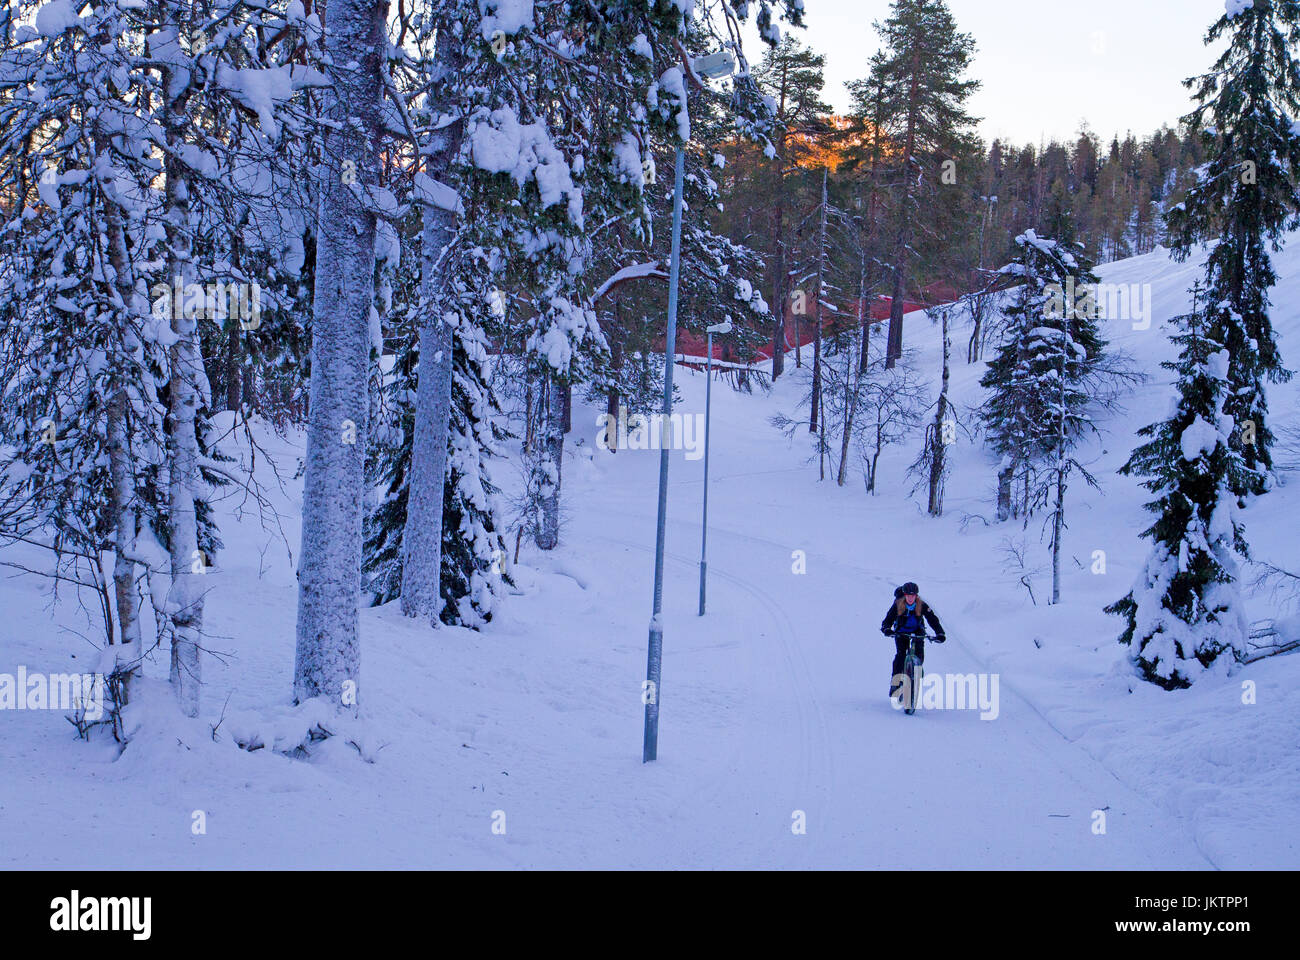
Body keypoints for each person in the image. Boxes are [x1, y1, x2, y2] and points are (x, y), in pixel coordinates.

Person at [880, 582, 945, 699]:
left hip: (917, 630)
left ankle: (915, 674)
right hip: (901, 632)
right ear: (904, 595)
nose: (910, 598)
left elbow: (932, 619)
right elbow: (888, 619)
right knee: (901, 655)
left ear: (916, 596)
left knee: (919, 654)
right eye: (908, 595)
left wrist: (940, 633)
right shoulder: (898, 604)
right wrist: (886, 629)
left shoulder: (922, 604)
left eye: (913, 595)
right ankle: (895, 683)